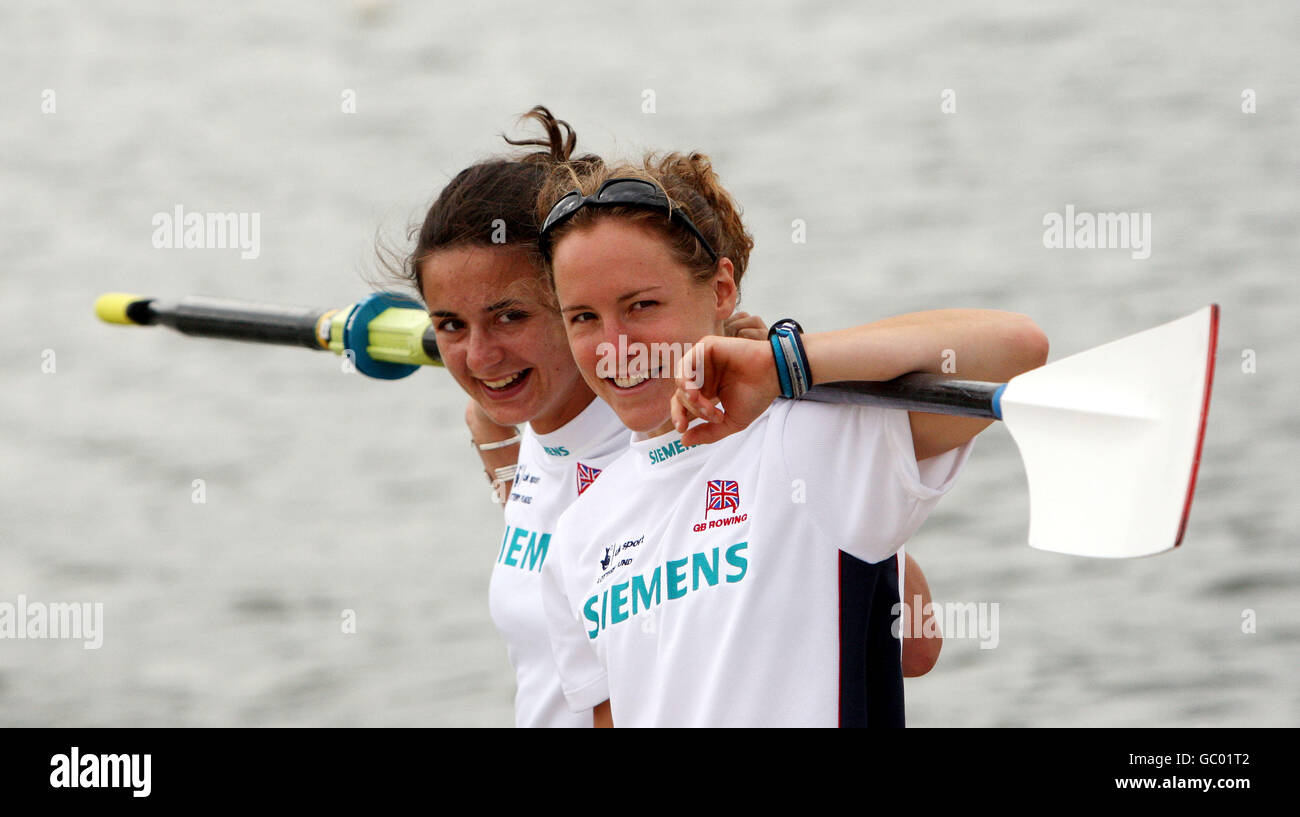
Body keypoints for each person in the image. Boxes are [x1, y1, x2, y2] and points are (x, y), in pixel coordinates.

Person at [537, 153, 1048, 727]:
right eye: (582, 317)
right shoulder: (577, 535)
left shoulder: (805, 437)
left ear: (722, 289)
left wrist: (784, 363)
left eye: (641, 305)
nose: (615, 344)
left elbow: (1018, 350)